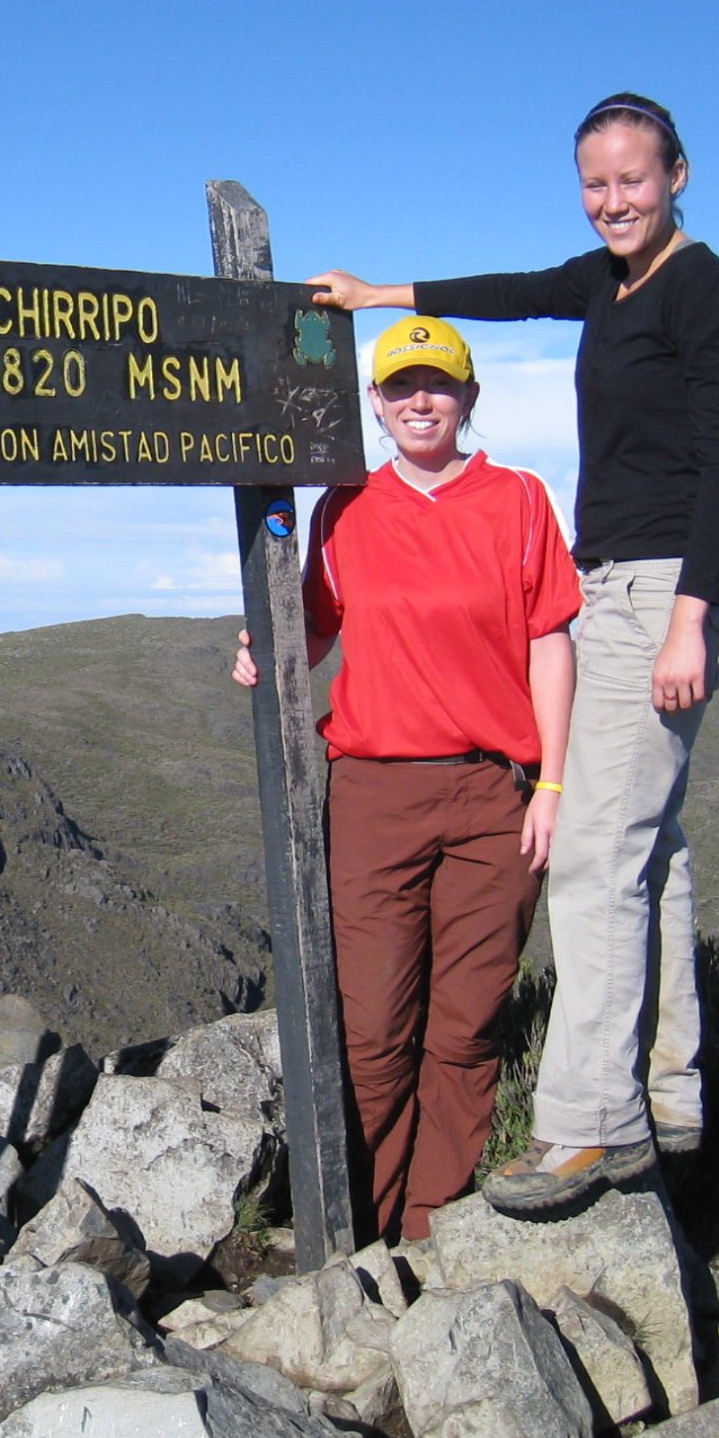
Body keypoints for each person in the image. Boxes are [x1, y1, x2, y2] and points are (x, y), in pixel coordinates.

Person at [308, 92, 719, 1217]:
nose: (613, 201)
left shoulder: (704, 291)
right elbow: (506, 293)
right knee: (652, 841)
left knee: (597, 854)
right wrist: (376, 294)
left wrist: (690, 616)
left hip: (663, 587)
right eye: (595, 184)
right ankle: (671, 1085)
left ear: (678, 175)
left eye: (632, 179)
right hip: (620, 585)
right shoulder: (608, 283)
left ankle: (591, 1125)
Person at [234, 316, 579, 1244]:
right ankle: (366, 1231)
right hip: (374, 796)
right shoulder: (343, 507)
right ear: (376, 405)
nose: (420, 401)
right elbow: (315, 623)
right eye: (400, 387)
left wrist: (551, 785)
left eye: (438, 384)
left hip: (493, 798)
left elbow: (551, 640)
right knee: (374, 1029)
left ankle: (432, 1231)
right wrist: (267, 649)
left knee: (466, 1028)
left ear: (469, 397)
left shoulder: (520, 500)